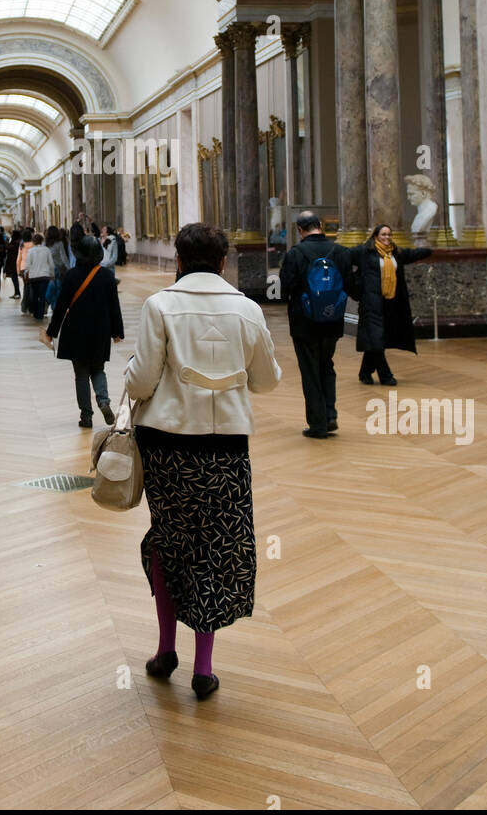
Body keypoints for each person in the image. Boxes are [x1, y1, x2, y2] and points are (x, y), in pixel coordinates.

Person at [124, 223, 281, 702]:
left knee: (169, 538)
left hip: (167, 444)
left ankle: (165, 649)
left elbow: (142, 380)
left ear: (176, 260)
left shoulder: (160, 306)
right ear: (223, 262)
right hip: (225, 448)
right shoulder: (247, 309)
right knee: (215, 544)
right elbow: (267, 381)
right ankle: (205, 667)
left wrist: (139, 379)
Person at [279, 210, 353, 438]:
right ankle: (330, 414)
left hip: (304, 322)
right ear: (320, 224)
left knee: (310, 370)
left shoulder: (296, 253)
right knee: (326, 365)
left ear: (299, 229)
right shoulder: (340, 252)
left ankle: (318, 424)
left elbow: (285, 287)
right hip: (332, 320)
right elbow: (350, 284)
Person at [44, 234, 122, 429]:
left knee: (81, 375)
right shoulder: (107, 276)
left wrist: (51, 331)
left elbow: (60, 307)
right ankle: (104, 401)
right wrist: (117, 332)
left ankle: (86, 416)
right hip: (100, 331)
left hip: (76, 331)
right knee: (98, 369)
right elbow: (114, 306)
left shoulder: (71, 276)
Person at [350, 224, 431, 385]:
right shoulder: (364, 252)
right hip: (370, 303)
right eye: (383, 235)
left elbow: (412, 254)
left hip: (389, 303)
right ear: (375, 236)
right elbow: (344, 259)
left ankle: (365, 372)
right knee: (377, 339)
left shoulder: (395, 253)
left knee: (377, 339)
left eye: (389, 235)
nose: (387, 238)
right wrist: (356, 289)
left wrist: (431, 250)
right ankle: (385, 375)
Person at [24, 231, 54, 320]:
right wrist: (52, 275)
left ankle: (35, 313)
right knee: (42, 295)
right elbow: (51, 264)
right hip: (44, 276)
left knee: (35, 295)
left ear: (33, 241)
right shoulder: (46, 250)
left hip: (34, 277)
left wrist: (26, 273)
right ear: (42, 241)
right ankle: (40, 314)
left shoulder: (30, 251)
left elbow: (28, 265)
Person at [45, 224, 69, 312]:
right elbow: (63, 257)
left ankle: (47, 302)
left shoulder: (45, 244)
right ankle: (56, 306)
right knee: (59, 287)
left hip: (48, 269)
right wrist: (69, 268)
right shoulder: (59, 243)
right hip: (58, 268)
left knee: (52, 286)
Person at [4, 227, 22, 298]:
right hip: (12, 263)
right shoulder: (15, 241)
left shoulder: (17, 243)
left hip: (14, 263)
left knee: (15, 279)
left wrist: (6, 243)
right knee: (14, 278)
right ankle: (16, 292)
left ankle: (18, 293)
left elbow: (10, 248)